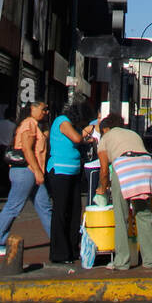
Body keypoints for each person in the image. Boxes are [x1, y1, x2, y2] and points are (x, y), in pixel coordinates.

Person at [0, 100, 51, 257]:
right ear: (32, 109)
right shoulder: (29, 124)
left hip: (31, 172)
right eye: (44, 109)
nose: (46, 112)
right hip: (26, 172)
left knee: (45, 207)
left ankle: (58, 239)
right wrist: (37, 171)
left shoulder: (35, 125)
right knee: (13, 207)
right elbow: (27, 150)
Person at [97, 113, 152, 271]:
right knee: (143, 215)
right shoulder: (133, 133)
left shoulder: (106, 137)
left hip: (124, 167)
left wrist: (103, 189)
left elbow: (104, 170)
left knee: (121, 217)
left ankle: (122, 261)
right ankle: (150, 260)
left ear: (106, 128)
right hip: (145, 166)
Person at [46, 99, 95, 265]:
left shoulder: (73, 125)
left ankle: (73, 249)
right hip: (60, 171)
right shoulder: (62, 121)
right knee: (61, 211)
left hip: (73, 171)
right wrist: (87, 130)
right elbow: (75, 138)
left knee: (75, 211)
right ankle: (59, 253)